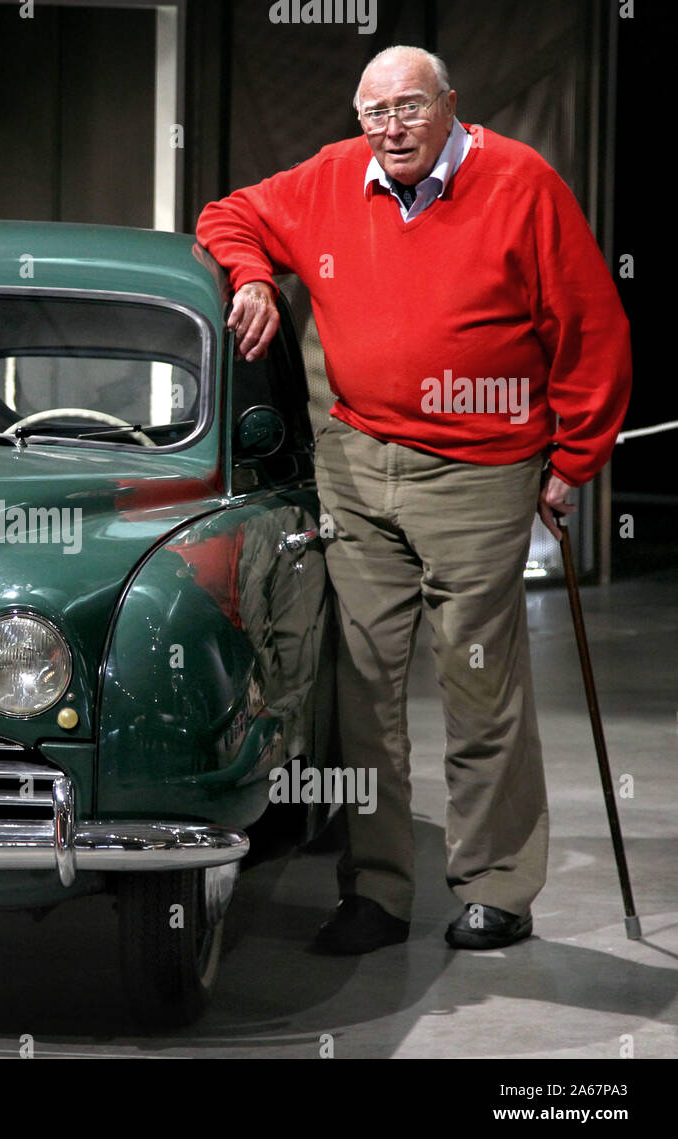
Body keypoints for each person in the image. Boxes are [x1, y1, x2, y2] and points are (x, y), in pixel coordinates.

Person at [196, 45, 631, 953]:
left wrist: (573, 460)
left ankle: (496, 887)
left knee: (479, 680)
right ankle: (378, 892)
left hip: (478, 471)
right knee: (360, 687)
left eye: (408, 108)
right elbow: (227, 214)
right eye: (373, 112)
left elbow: (589, 326)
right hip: (358, 462)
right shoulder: (330, 178)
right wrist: (249, 275)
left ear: (450, 109)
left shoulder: (520, 181)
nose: (390, 129)